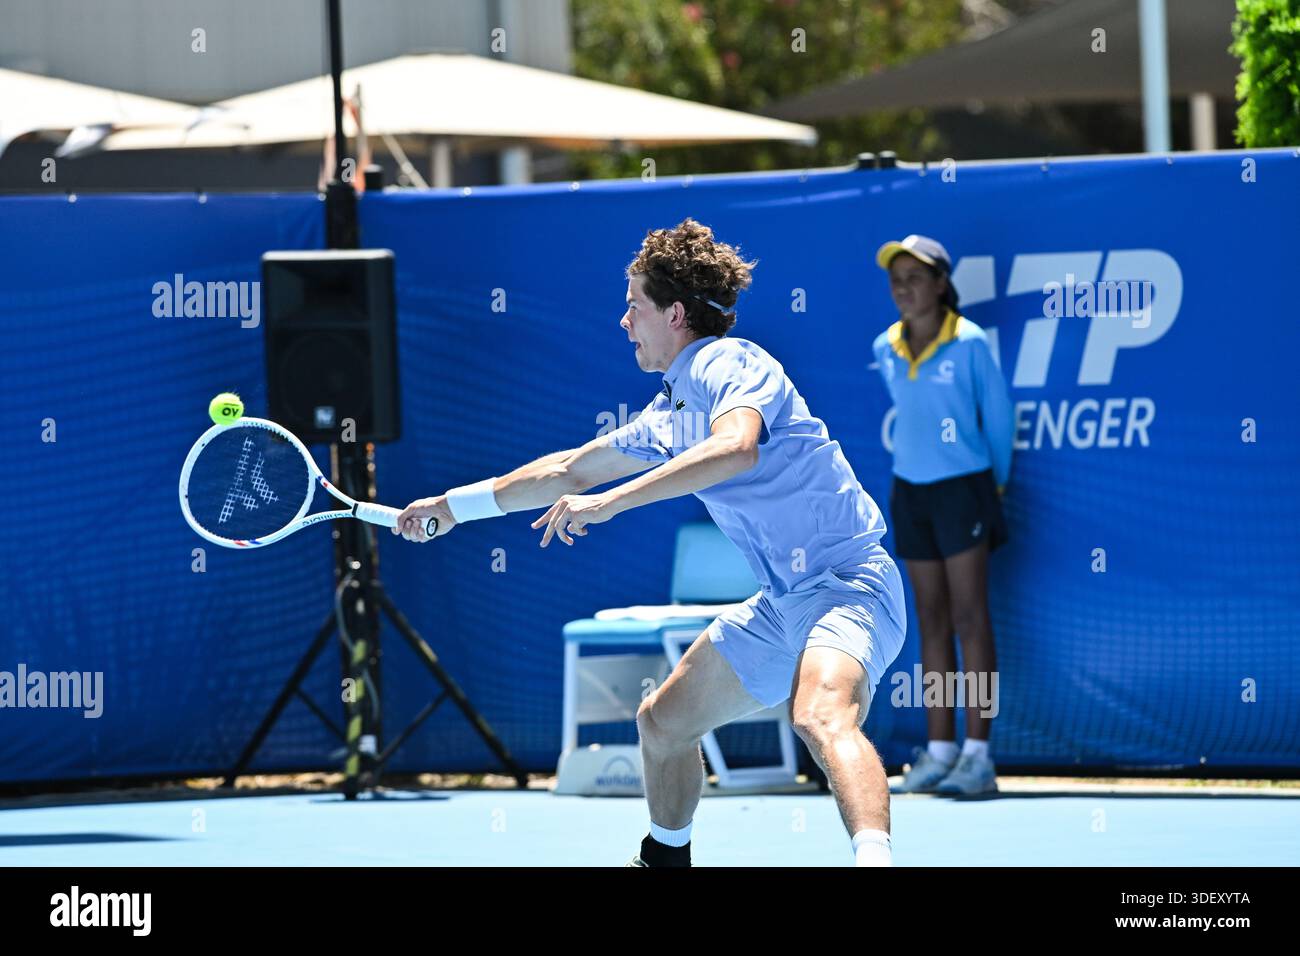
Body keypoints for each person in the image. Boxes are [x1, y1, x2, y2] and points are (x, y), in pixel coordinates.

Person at [395, 218, 906, 867]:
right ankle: (665, 860)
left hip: (848, 586)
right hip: (782, 604)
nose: (624, 321)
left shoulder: (731, 361)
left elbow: (736, 448)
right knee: (662, 723)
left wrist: (612, 501)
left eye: (635, 305)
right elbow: (567, 471)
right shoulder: (668, 415)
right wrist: (452, 507)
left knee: (820, 715)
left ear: (676, 314)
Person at [870, 234, 1013, 796]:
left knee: (970, 617)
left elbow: (997, 420)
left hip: (965, 490)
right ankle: (939, 751)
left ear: (940, 284)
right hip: (910, 492)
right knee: (930, 620)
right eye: (896, 280)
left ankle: (978, 756)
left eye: (915, 277)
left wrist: (990, 487)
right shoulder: (885, 346)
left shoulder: (970, 342)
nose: (903, 288)